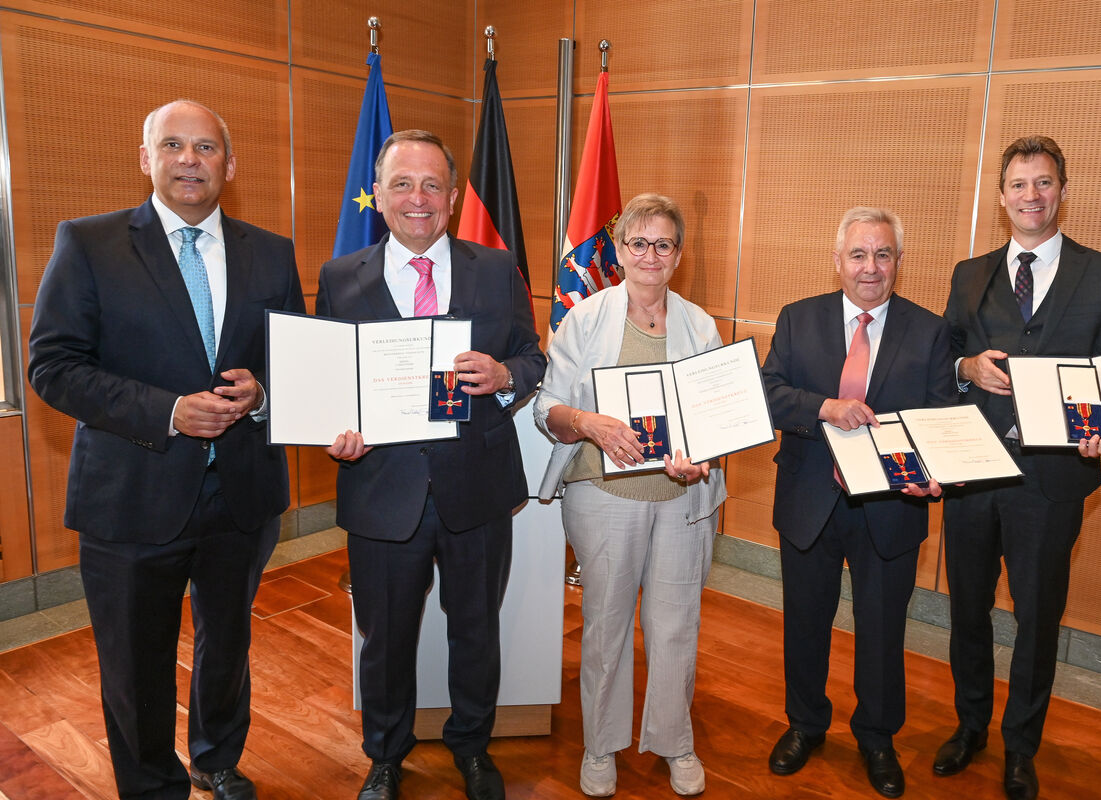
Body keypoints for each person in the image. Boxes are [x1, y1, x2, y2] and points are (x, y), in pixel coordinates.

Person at [27, 100, 304, 800]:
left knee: (228, 646)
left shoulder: (271, 253)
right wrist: (170, 412)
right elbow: (53, 367)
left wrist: (264, 393)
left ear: (229, 165)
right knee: (135, 664)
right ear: (146, 158)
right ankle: (152, 787)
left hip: (241, 494)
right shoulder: (88, 244)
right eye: (173, 145)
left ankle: (216, 757)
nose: (191, 159)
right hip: (130, 494)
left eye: (207, 147)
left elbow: (300, 362)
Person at [316, 130, 545, 800]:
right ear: (378, 195)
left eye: (431, 185)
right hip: (381, 490)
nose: (418, 199)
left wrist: (506, 372)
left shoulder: (496, 269)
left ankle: (472, 747)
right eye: (402, 184)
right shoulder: (339, 278)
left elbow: (533, 356)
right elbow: (332, 380)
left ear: (451, 196)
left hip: (476, 485)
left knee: (476, 627)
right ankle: (385, 755)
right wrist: (337, 430)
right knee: (384, 637)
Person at [936, 135, 1101, 800]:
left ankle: (1021, 745)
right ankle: (970, 728)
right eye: (1019, 184)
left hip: (1052, 483)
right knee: (966, 609)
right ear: (1001, 196)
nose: (1031, 196)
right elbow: (944, 361)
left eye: (1044, 183)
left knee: (1037, 616)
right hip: (972, 471)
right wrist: (965, 368)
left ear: (1062, 190)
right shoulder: (969, 273)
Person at [761, 207, 957, 799]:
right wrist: (824, 407)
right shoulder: (799, 319)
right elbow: (769, 395)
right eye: (859, 254)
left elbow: (942, 419)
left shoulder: (929, 330)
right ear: (837, 259)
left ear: (899, 261)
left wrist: (936, 473)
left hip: (892, 509)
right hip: (809, 501)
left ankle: (876, 737)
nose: (870, 267)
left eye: (883, 255)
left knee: (881, 631)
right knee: (805, 623)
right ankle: (805, 724)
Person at [534, 194, 726, 797]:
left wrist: (705, 452)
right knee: (606, 625)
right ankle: (601, 746)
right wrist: (590, 423)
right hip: (603, 495)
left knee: (676, 627)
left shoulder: (701, 324)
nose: (649, 254)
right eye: (637, 243)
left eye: (662, 243)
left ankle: (675, 741)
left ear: (678, 255)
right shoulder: (583, 319)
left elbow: (719, 414)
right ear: (617, 252)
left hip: (682, 499)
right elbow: (548, 409)